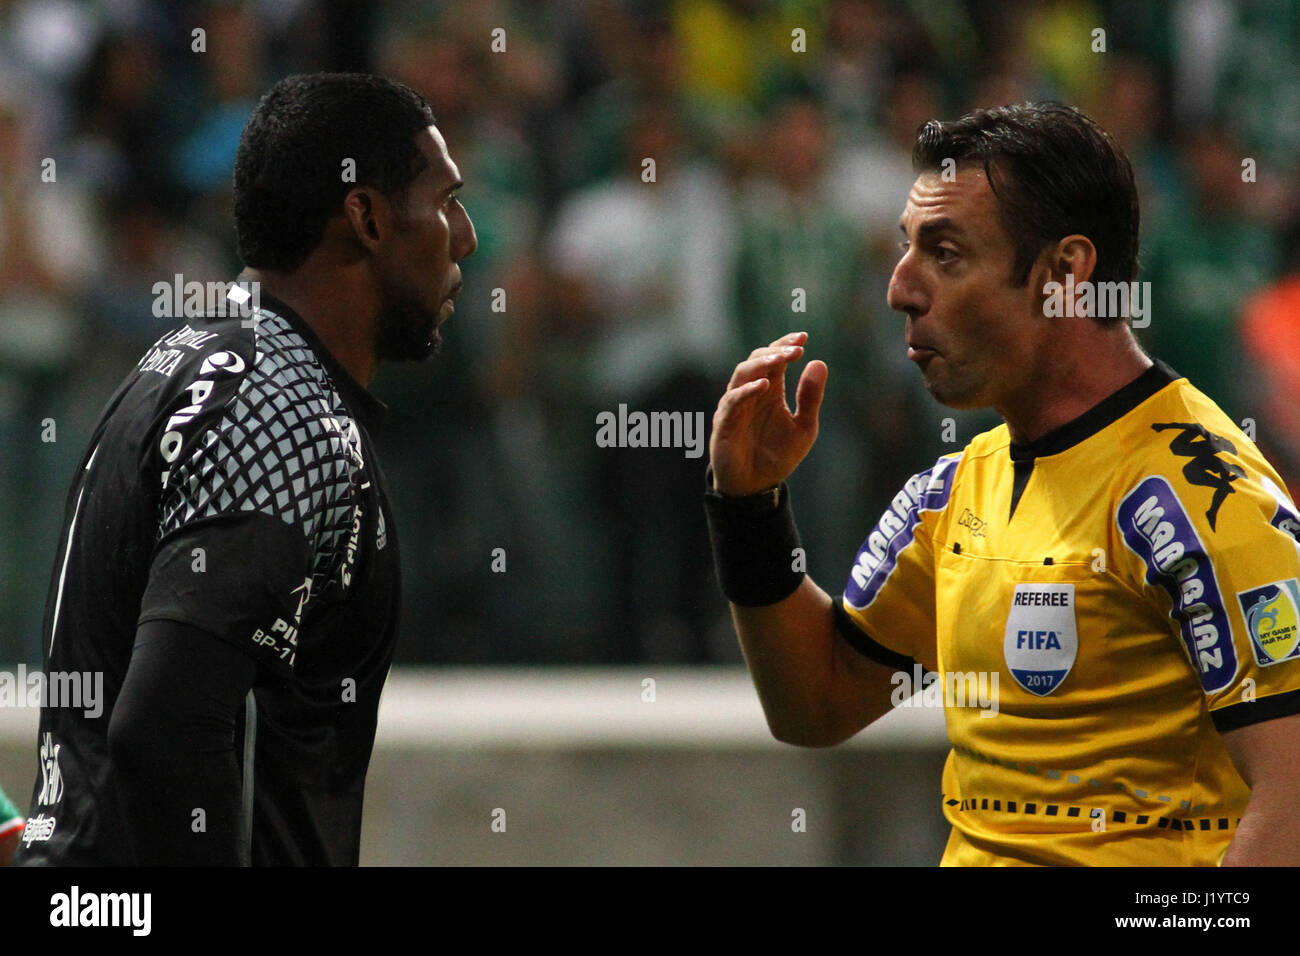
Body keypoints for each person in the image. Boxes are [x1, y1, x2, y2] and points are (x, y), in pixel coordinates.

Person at [705, 102, 1300, 866]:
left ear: (1063, 273)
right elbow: (815, 703)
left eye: (945, 254)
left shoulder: (1203, 498)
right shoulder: (953, 494)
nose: (900, 290)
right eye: (905, 250)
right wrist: (750, 509)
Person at [15, 72, 477, 866]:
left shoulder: (181, 360)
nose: (465, 236)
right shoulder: (284, 413)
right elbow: (165, 729)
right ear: (365, 216)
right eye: (444, 202)